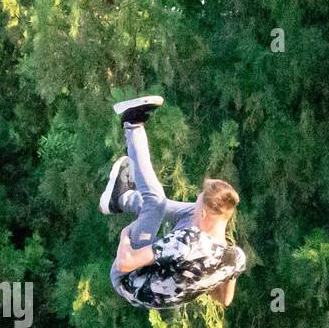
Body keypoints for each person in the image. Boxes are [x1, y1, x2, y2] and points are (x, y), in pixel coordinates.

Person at [99, 95, 246, 310]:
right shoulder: (235, 258)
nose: (194, 204)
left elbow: (124, 262)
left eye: (198, 203)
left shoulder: (186, 243)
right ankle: (121, 199)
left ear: (204, 214)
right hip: (172, 268)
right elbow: (225, 299)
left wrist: (125, 234)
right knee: (179, 213)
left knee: (156, 202)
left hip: (128, 280)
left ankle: (132, 123)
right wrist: (198, 275)